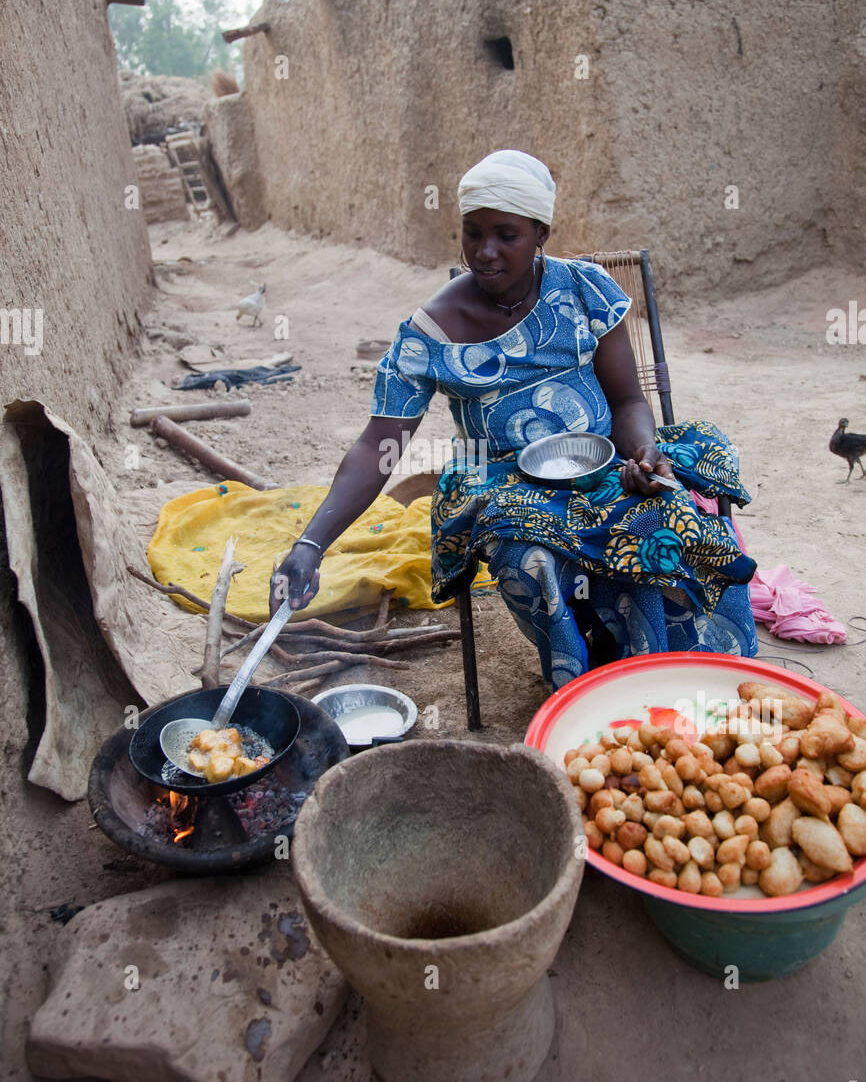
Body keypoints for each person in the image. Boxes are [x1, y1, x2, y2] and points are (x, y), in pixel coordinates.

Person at [270, 149, 758, 688]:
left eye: (507, 234)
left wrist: (643, 451)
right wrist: (309, 546)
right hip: (504, 481)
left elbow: (627, 401)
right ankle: (587, 683)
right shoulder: (431, 334)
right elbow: (376, 448)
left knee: (670, 519)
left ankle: (677, 666)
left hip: (606, 462)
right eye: (472, 232)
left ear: (542, 232)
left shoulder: (584, 290)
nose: (485, 252)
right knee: (533, 559)